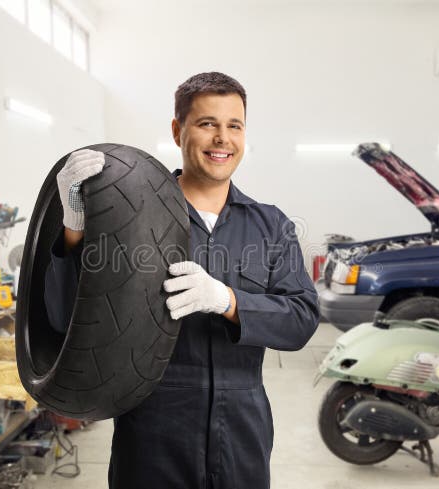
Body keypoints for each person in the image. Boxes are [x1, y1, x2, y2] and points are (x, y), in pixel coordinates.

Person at [44, 72, 319, 489]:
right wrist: (75, 230)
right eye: (208, 123)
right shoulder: (126, 218)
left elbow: (301, 319)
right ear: (178, 130)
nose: (222, 139)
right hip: (153, 432)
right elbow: (67, 317)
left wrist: (228, 300)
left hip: (242, 431)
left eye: (234, 126)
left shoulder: (271, 226)